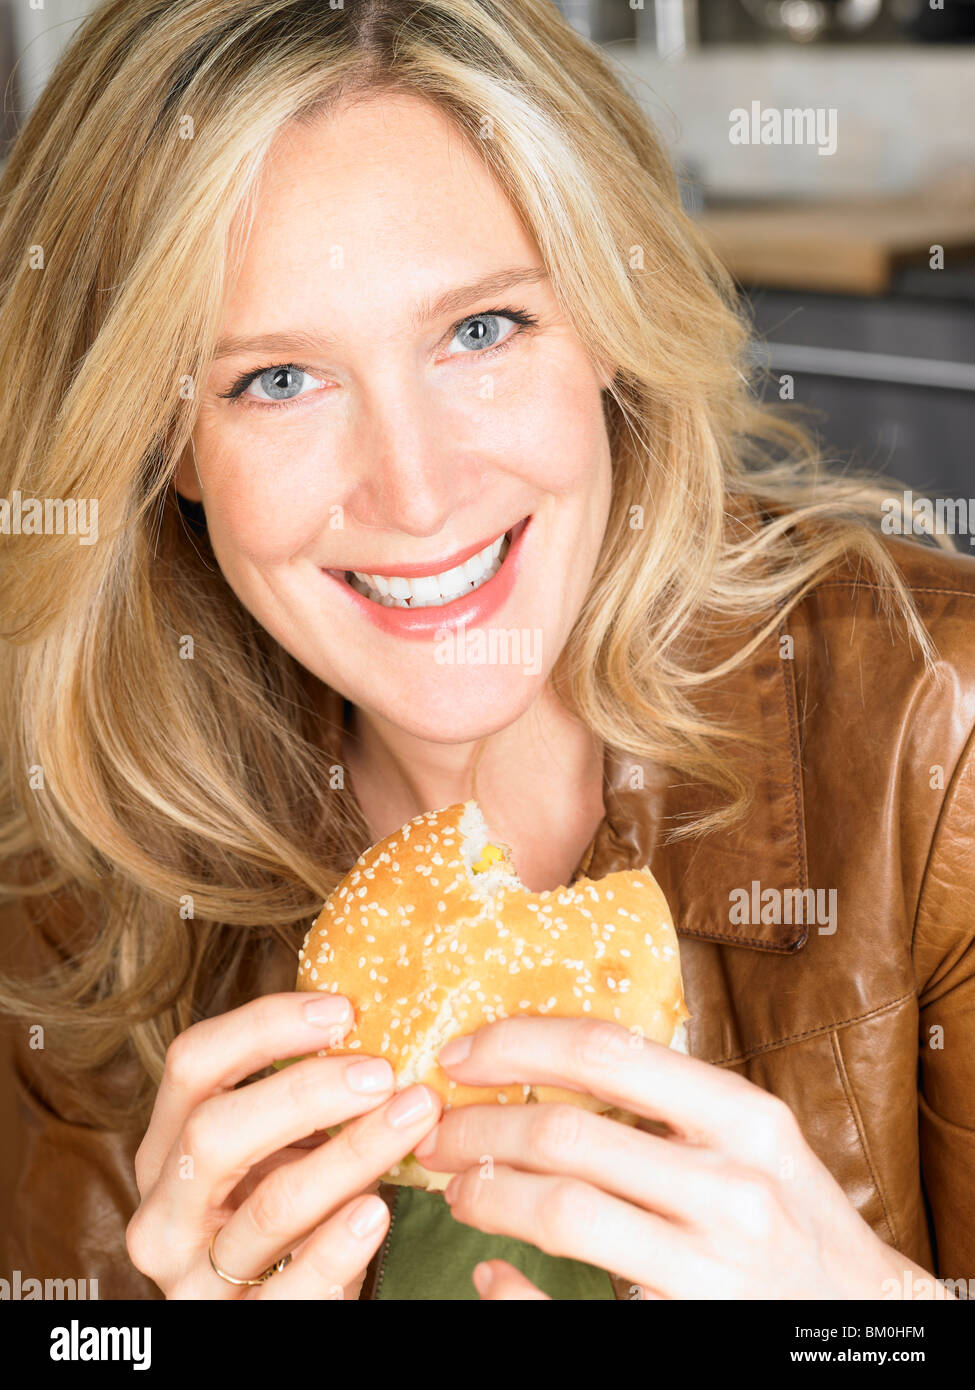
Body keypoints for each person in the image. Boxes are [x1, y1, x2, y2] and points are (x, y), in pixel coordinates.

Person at [1, 0, 972, 1302]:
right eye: (277, 379)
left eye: (482, 329)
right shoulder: (71, 872)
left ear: (613, 329)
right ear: (162, 445)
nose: (413, 490)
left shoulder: (942, 742)